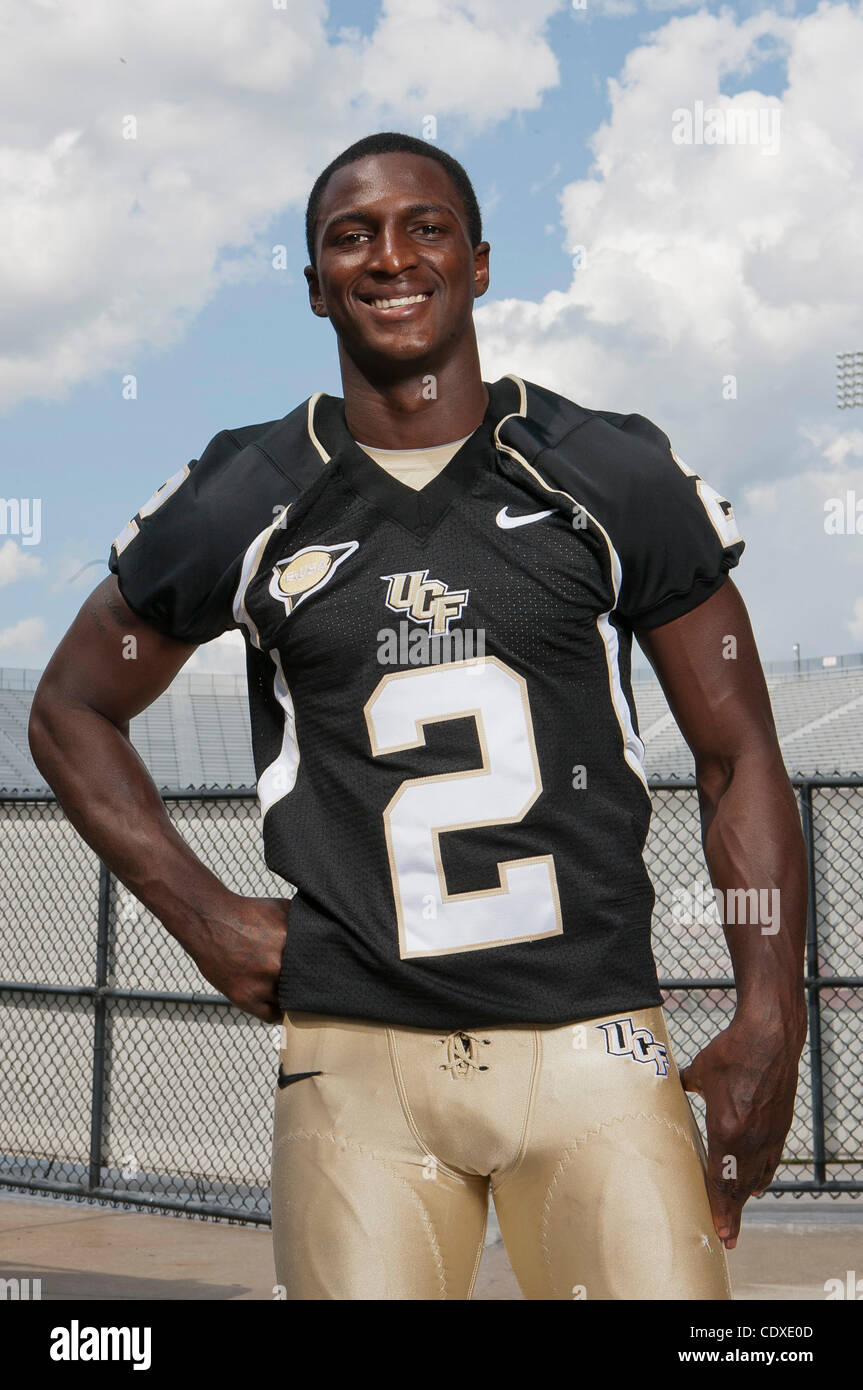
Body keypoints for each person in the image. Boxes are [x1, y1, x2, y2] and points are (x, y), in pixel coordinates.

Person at [28, 131, 808, 1301]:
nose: (389, 255)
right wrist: (204, 919)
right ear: (312, 284)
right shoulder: (247, 492)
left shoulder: (602, 470)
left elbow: (736, 752)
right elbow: (71, 708)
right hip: (355, 1054)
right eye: (352, 235)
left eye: (423, 226)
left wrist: (767, 1005)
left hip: (592, 1037)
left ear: (479, 262)